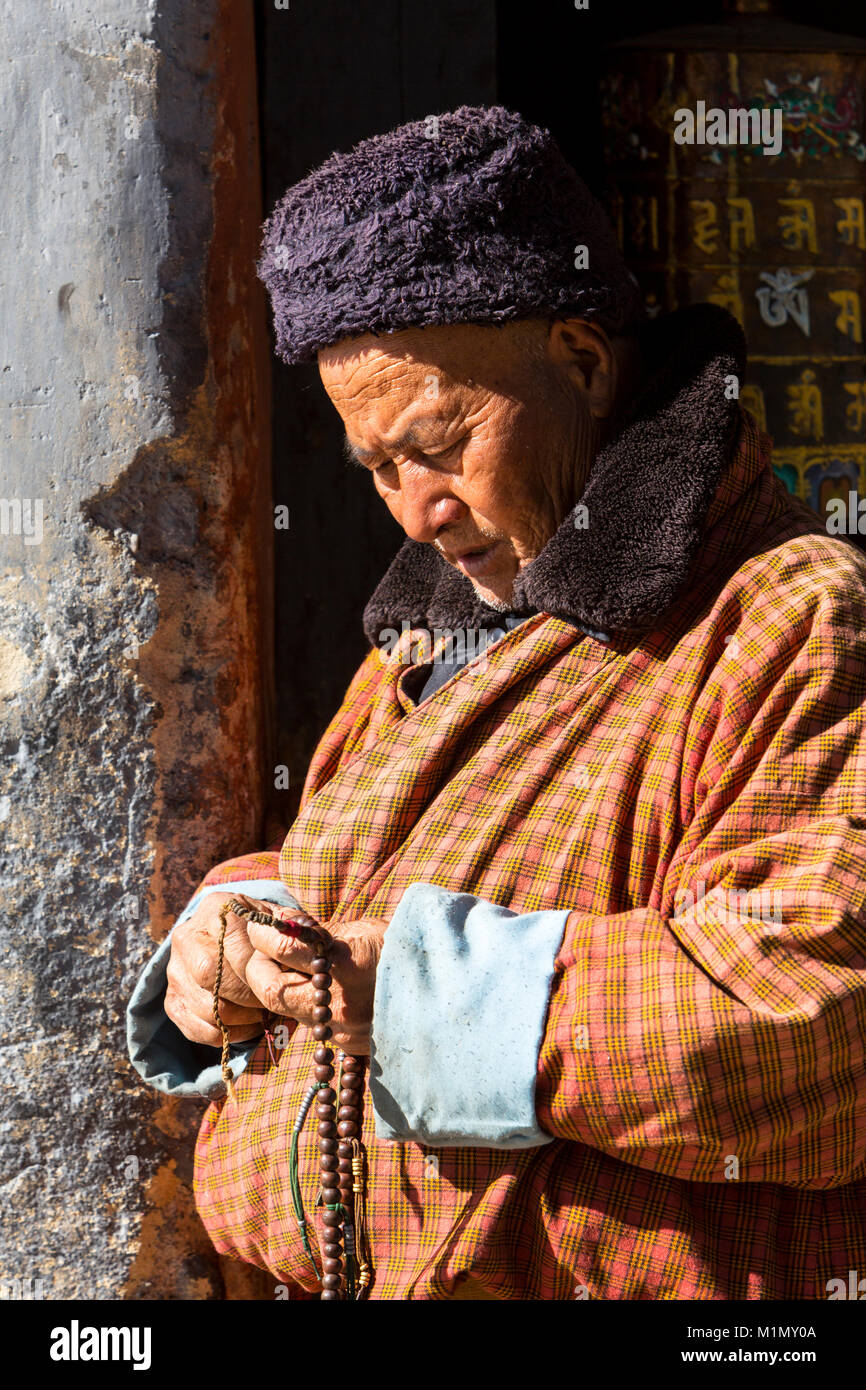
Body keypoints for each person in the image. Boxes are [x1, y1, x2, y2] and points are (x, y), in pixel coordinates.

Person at [128, 105, 866, 1301]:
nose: (415, 509)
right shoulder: (419, 653)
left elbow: (823, 1012)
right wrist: (237, 950)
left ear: (579, 359)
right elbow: (382, 888)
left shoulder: (784, 614)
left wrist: (427, 993)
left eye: (439, 442)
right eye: (376, 469)